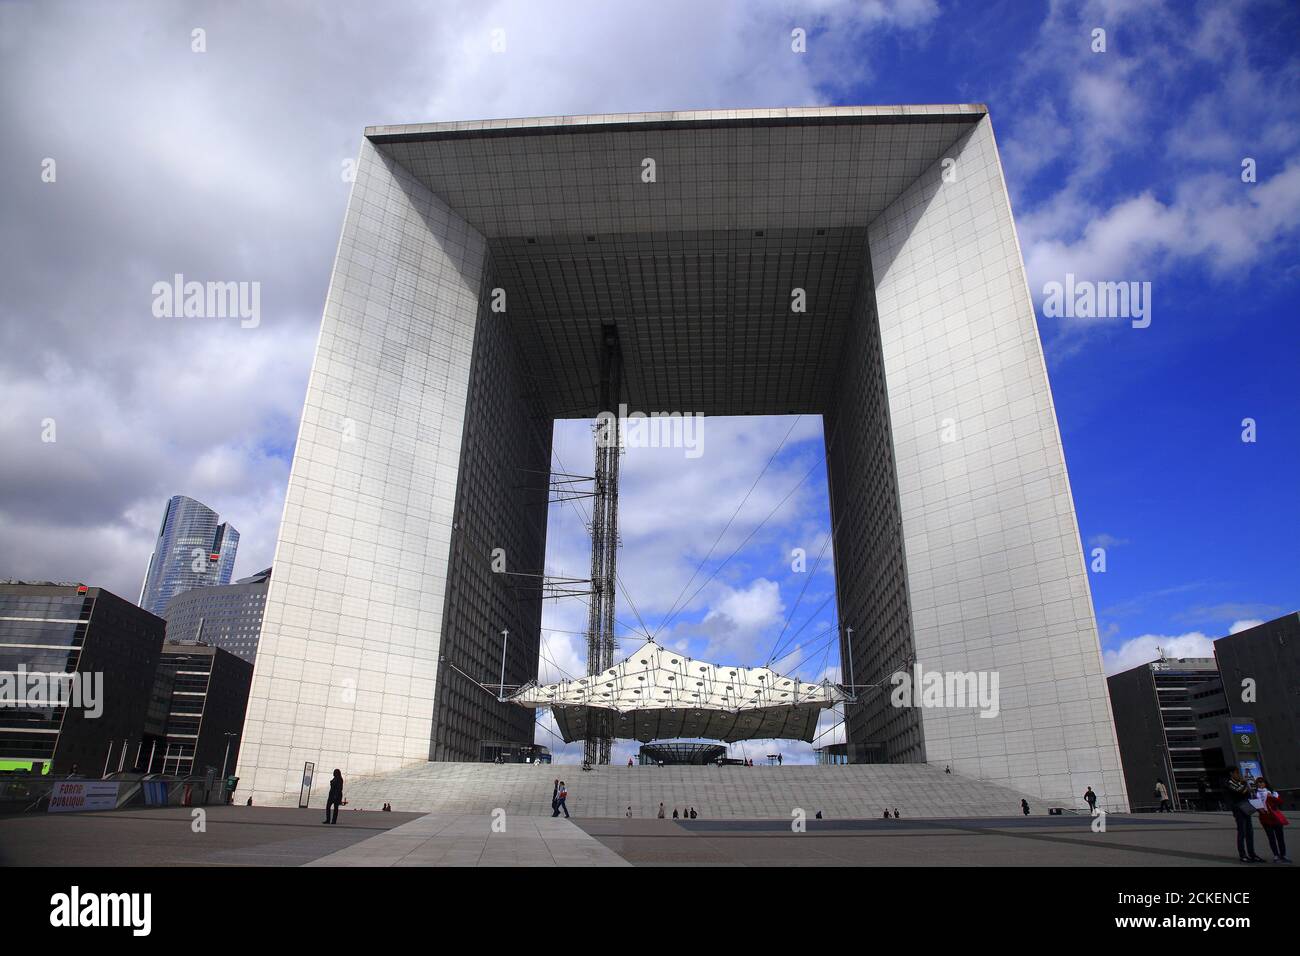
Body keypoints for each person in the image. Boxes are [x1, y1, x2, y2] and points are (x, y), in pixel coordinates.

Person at [1225, 768, 1265, 862]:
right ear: (1231, 773)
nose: (1238, 775)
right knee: (1242, 832)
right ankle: (1242, 855)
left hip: (1246, 807)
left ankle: (1252, 854)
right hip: (1238, 808)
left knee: (1249, 832)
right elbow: (1240, 791)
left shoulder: (1240, 782)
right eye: (1237, 773)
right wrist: (1244, 783)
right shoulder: (1229, 783)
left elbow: (1247, 792)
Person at [1252, 776, 1290, 863]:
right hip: (1264, 817)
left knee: (1280, 837)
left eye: (1262, 782)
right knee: (1271, 838)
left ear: (1265, 783)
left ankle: (1283, 855)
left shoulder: (1272, 792)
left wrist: (1271, 797)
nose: (1260, 784)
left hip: (1275, 817)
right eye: (1258, 782)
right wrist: (1258, 809)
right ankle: (1276, 855)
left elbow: (1280, 802)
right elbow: (1254, 805)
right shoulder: (1255, 794)